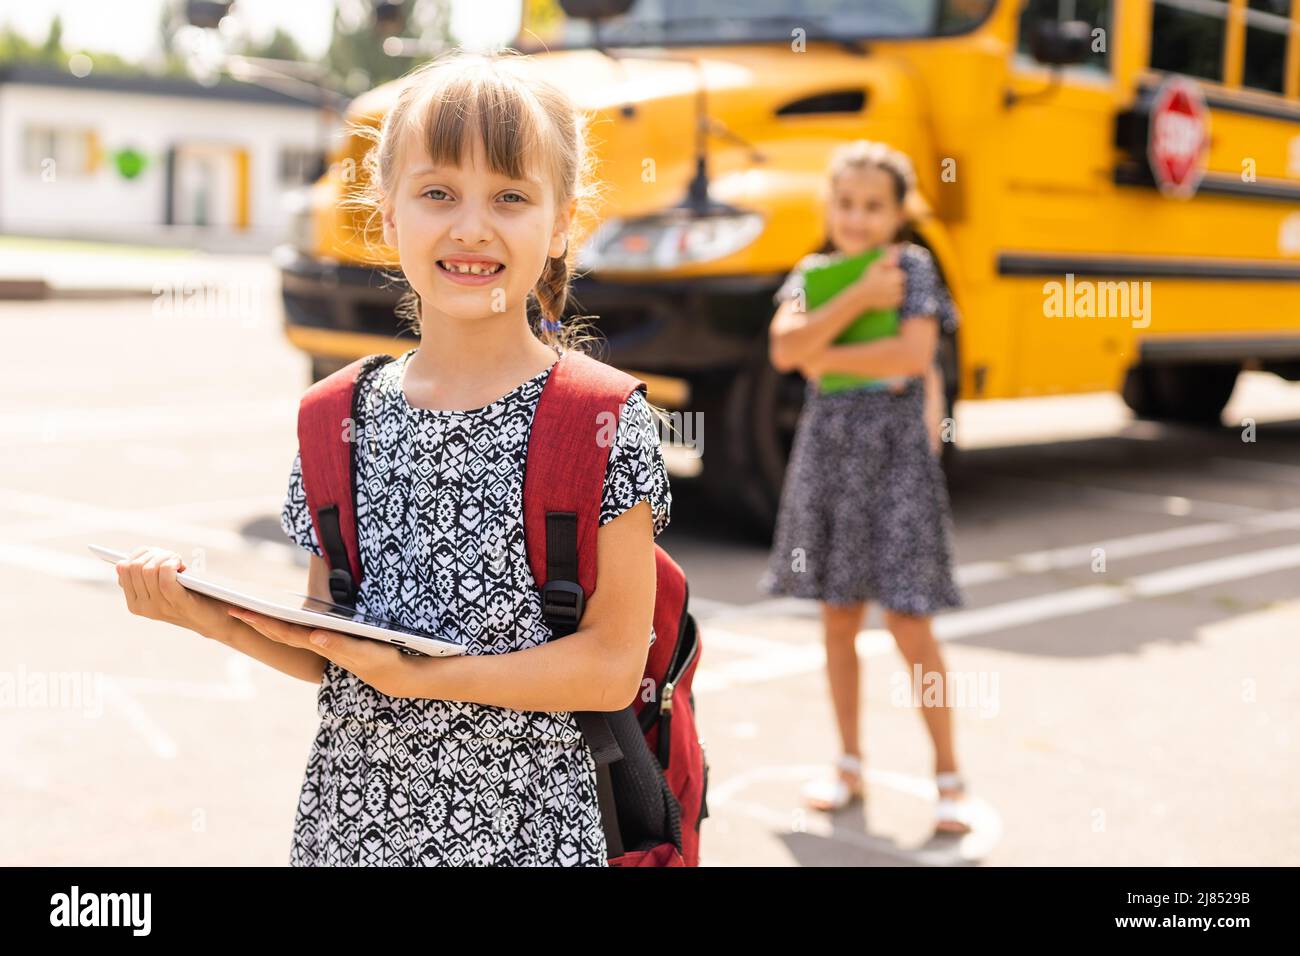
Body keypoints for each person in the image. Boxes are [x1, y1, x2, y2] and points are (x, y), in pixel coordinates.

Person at [110, 49, 672, 866]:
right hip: (350, 835)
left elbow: (612, 667)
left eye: (510, 197)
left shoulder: (599, 418)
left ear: (561, 223)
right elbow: (328, 646)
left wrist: (426, 677)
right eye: (438, 192)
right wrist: (202, 613)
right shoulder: (335, 415)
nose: (471, 226)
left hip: (526, 840)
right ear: (388, 210)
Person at [760, 139, 974, 835]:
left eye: (873, 206)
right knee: (838, 616)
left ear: (897, 212)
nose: (856, 218)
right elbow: (786, 350)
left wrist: (826, 352)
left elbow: (911, 355)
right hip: (829, 458)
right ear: (830, 206)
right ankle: (848, 762)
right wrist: (854, 301)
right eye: (845, 203)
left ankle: (949, 773)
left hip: (895, 462)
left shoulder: (911, 265)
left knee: (911, 621)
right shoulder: (815, 271)